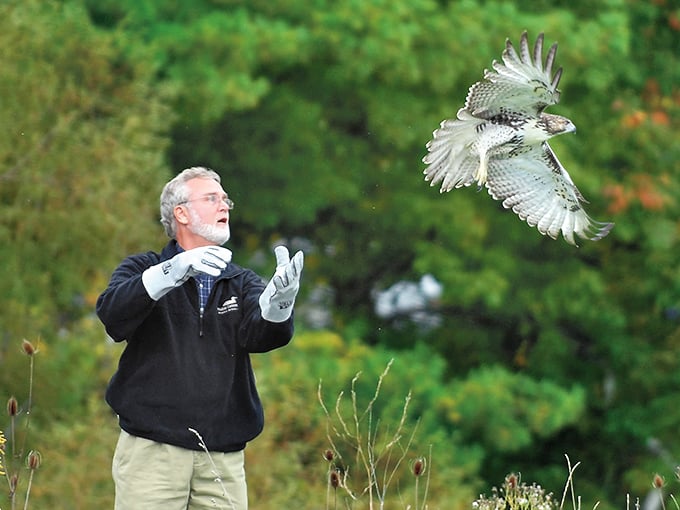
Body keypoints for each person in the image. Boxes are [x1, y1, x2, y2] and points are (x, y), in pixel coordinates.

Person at [96, 166, 303, 510]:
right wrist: (170, 273)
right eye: (212, 198)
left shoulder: (242, 281)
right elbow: (112, 315)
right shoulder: (141, 268)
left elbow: (263, 334)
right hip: (151, 454)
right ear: (181, 213)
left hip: (222, 460)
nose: (224, 206)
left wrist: (280, 303)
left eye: (225, 199)